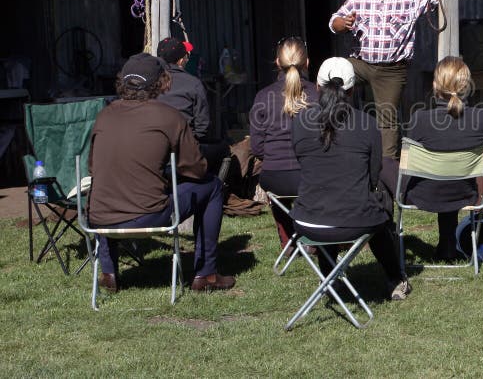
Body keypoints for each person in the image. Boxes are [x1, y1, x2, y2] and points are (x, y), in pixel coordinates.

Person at [88, 53, 235, 293]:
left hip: (100, 216)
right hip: (147, 214)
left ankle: (108, 271)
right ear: (162, 82)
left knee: (107, 193)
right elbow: (197, 169)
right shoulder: (169, 117)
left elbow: (93, 168)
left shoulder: (104, 115)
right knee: (213, 186)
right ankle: (206, 274)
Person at [290, 57, 411, 300]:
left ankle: (329, 278)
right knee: (375, 211)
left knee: (332, 205)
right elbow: (373, 174)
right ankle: (396, 279)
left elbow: (302, 162)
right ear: (353, 89)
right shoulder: (367, 123)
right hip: (355, 219)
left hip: (308, 220)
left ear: (317, 86)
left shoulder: (300, 122)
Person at [380, 56, 483, 261]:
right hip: (465, 193)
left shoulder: (419, 119)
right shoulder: (482, 117)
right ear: (466, 85)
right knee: (448, 174)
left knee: (383, 164)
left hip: (422, 194)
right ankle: (447, 246)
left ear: (434, 85)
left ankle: (386, 238)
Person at [328, 0, 439, 159]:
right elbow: (334, 21)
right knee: (332, 76)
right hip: (360, 63)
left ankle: (387, 167)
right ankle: (333, 144)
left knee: (387, 118)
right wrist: (342, 24)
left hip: (392, 69)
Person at [249, 37, 318, 248]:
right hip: (310, 176)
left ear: (277, 63)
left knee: (279, 193)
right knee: (317, 183)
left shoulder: (262, 96)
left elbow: (257, 147)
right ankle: (314, 237)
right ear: (307, 63)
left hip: (274, 176)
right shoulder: (318, 95)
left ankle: (288, 240)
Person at [156, 37, 229, 174]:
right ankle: (215, 186)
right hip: (184, 152)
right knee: (224, 149)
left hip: (155, 151)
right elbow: (203, 127)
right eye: (186, 56)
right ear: (181, 60)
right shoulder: (193, 83)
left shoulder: (151, 83)